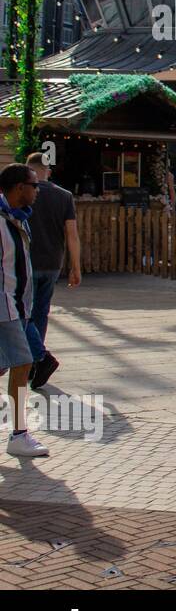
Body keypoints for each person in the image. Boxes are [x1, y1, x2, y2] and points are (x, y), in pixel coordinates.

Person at [23, 153, 80, 391]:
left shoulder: (23, 193)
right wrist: (75, 266)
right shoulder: (64, 196)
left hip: (26, 261)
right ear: (48, 170)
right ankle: (37, 360)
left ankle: (38, 357)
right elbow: (72, 234)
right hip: (53, 262)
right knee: (41, 312)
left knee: (20, 313)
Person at [0, 163, 45, 457]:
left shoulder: (18, 218)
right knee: (23, 362)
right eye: (34, 185)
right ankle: (18, 434)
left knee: (15, 364)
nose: (38, 190)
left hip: (17, 305)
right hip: (5, 306)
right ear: (19, 188)